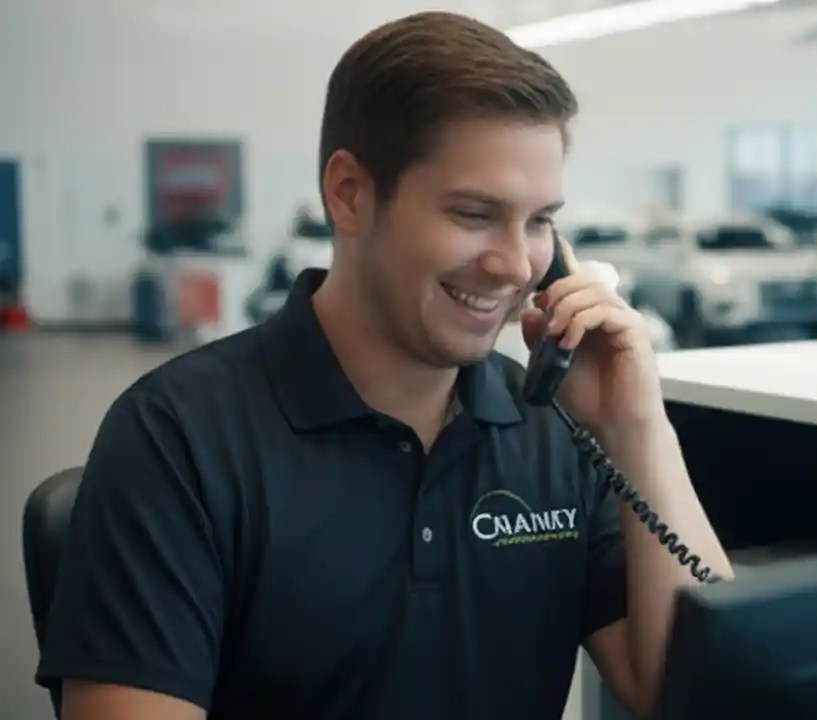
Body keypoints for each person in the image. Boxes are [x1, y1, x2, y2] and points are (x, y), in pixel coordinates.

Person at [37, 12, 733, 720]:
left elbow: (700, 696)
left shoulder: (553, 429)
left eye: (539, 220)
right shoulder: (179, 437)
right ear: (350, 194)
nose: (517, 263)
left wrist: (639, 427)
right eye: (473, 212)